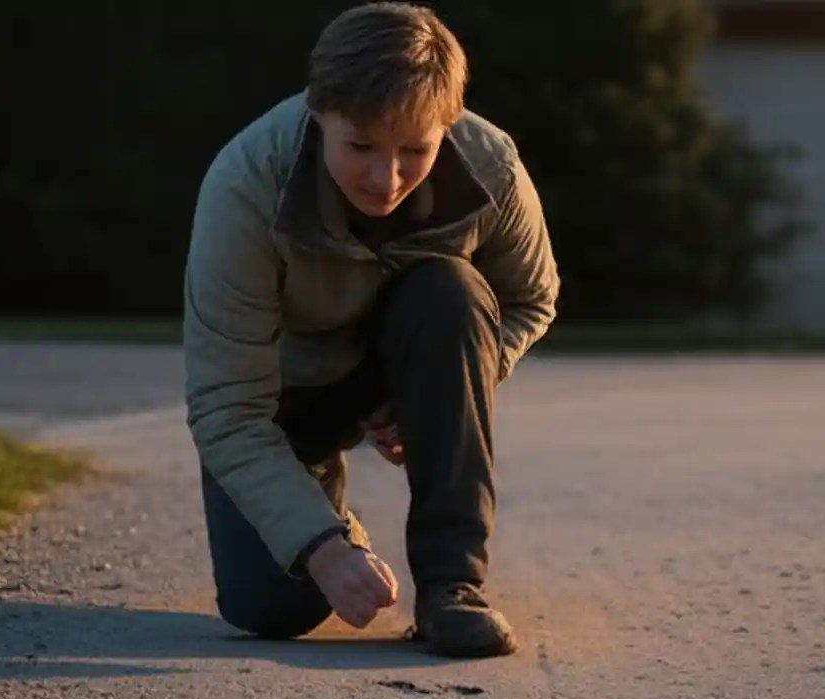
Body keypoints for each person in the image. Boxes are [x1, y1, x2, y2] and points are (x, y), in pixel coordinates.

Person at [182, 2, 559, 658]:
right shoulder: (244, 186)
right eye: (359, 146)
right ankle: (327, 514)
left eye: (414, 150)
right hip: (286, 403)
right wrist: (322, 547)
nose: (386, 180)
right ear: (319, 111)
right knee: (272, 608)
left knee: (454, 291)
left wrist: (438, 393)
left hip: (414, 346)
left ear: (448, 123)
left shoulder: (491, 165)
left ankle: (452, 590)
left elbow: (532, 298)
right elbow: (226, 410)